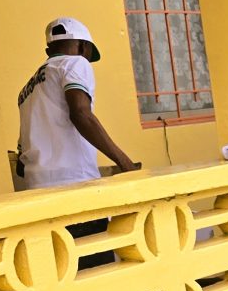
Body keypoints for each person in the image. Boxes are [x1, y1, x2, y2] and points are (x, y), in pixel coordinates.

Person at [17, 17, 138, 187]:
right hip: (74, 181)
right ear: (83, 47)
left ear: (48, 51)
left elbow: (21, 163)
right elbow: (80, 113)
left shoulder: (26, 91)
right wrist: (126, 164)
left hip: (35, 186)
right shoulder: (75, 62)